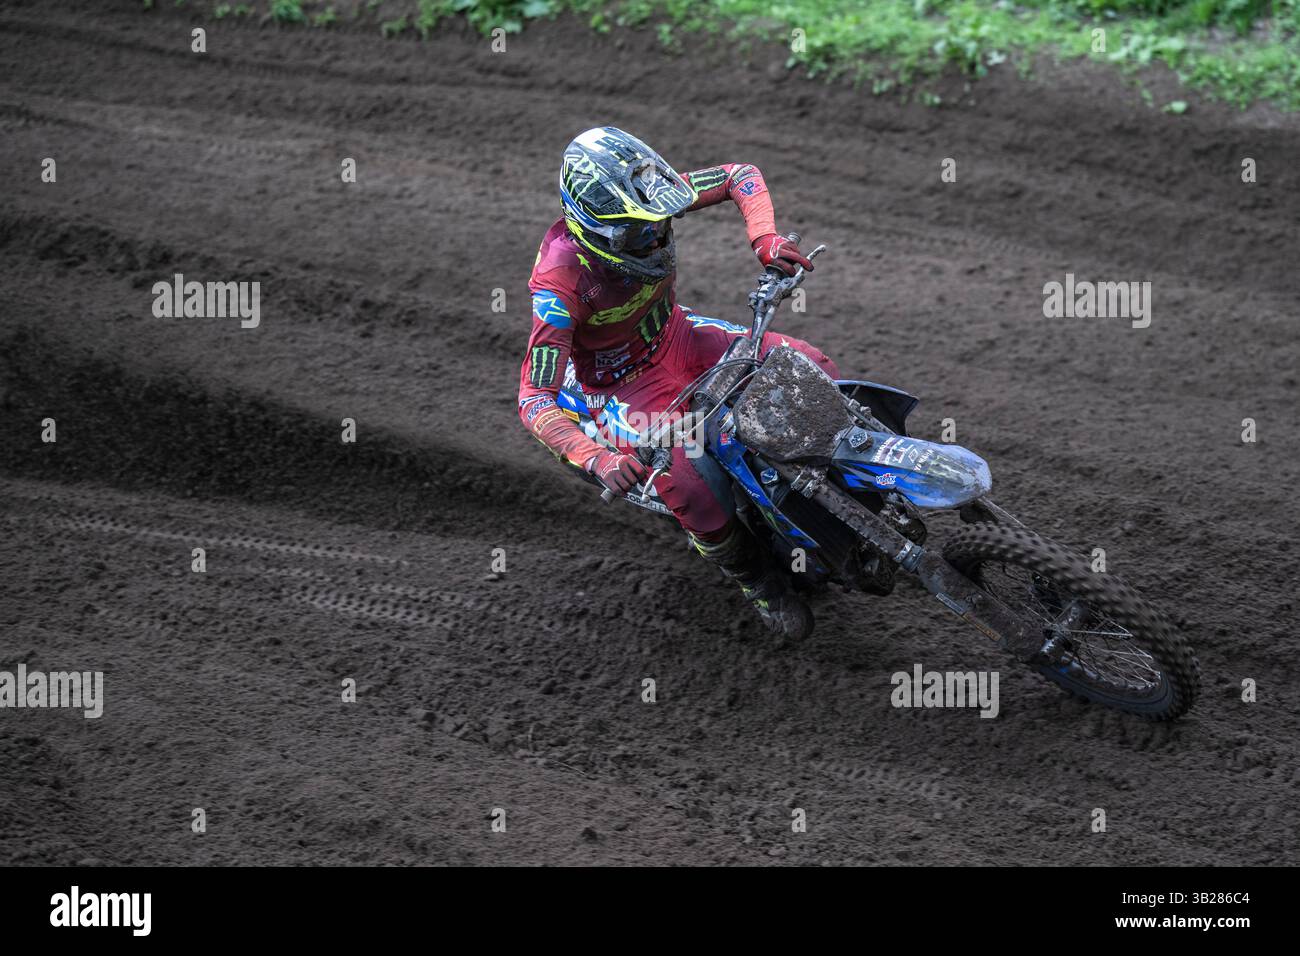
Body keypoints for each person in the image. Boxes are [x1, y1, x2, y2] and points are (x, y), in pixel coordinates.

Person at [517, 127, 839, 640]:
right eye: (642, 231)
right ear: (604, 232)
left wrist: (766, 237)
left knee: (813, 366)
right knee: (688, 485)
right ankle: (757, 580)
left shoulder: (643, 201)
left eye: (660, 221)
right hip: (621, 385)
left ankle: (838, 494)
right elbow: (534, 399)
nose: (659, 233)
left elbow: (739, 175)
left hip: (680, 335)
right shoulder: (559, 289)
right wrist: (594, 457)